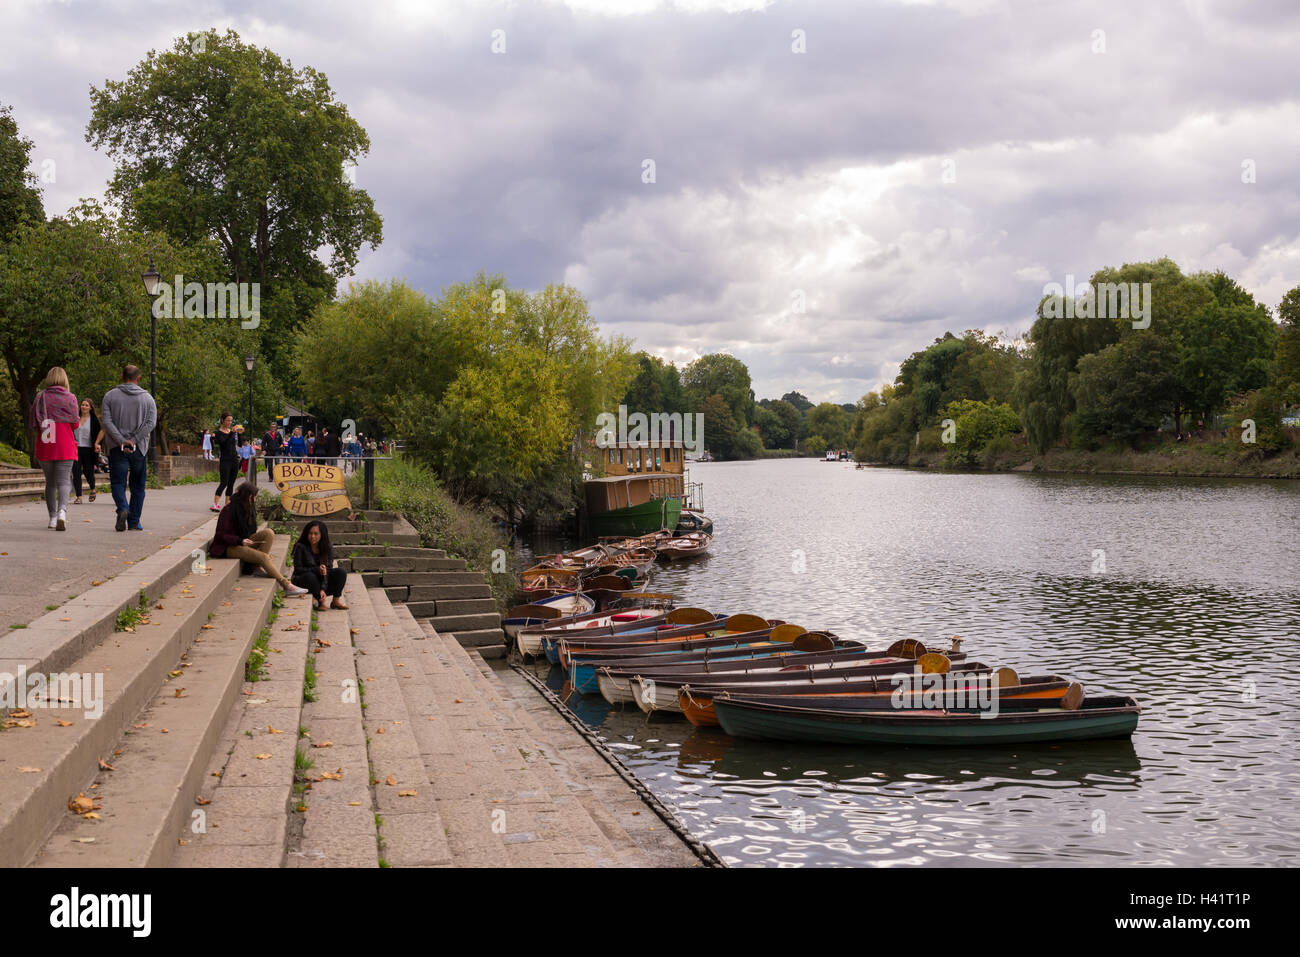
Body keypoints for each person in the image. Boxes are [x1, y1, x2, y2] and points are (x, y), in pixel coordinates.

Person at [210, 483, 309, 596]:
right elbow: (220, 535)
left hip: (243, 541)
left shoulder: (248, 507)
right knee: (263, 557)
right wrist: (240, 541)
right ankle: (287, 585)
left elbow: (251, 530)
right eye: (254, 497)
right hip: (227, 546)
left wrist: (246, 540)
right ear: (248, 496)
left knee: (269, 533)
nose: (256, 499)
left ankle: (256, 566)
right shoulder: (228, 510)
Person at [101, 365, 157, 532]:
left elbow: (106, 421)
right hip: (139, 448)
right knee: (138, 485)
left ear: (121, 376)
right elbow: (150, 424)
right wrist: (133, 440)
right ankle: (134, 521)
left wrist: (120, 440)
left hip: (117, 448)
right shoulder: (148, 399)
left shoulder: (110, 396)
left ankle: (122, 508)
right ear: (138, 377)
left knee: (118, 482)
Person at [29, 367, 81, 531]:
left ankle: (52, 517)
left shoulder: (40, 397)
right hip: (64, 443)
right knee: (64, 481)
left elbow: (33, 422)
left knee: (50, 483)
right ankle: (62, 513)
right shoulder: (70, 398)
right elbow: (75, 423)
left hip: (46, 443)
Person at [292, 520, 348, 611]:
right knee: (310, 576)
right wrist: (316, 569)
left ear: (322, 534)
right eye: (310, 533)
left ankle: (335, 601)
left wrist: (323, 588)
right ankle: (321, 602)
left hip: (322, 581)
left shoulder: (327, 547)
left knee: (341, 572)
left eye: (316, 534)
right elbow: (298, 570)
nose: (312, 536)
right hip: (304, 581)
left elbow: (328, 569)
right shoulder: (300, 547)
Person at [71, 398, 104, 505]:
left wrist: (97, 443)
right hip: (76, 448)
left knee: (88, 471)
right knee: (76, 471)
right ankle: (79, 497)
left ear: (90, 408)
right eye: (82, 404)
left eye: (86, 405)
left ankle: (93, 489)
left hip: (89, 449)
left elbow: (101, 431)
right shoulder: (76, 418)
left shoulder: (94, 419)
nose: (84, 406)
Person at [211, 413, 240, 512]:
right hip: (225, 460)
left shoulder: (232, 432)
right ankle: (215, 504)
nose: (230, 422)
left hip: (234, 459)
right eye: (228, 420)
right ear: (222, 420)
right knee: (224, 482)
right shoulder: (218, 433)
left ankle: (227, 505)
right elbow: (223, 443)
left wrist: (239, 434)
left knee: (231, 483)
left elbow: (237, 444)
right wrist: (232, 433)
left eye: (231, 420)